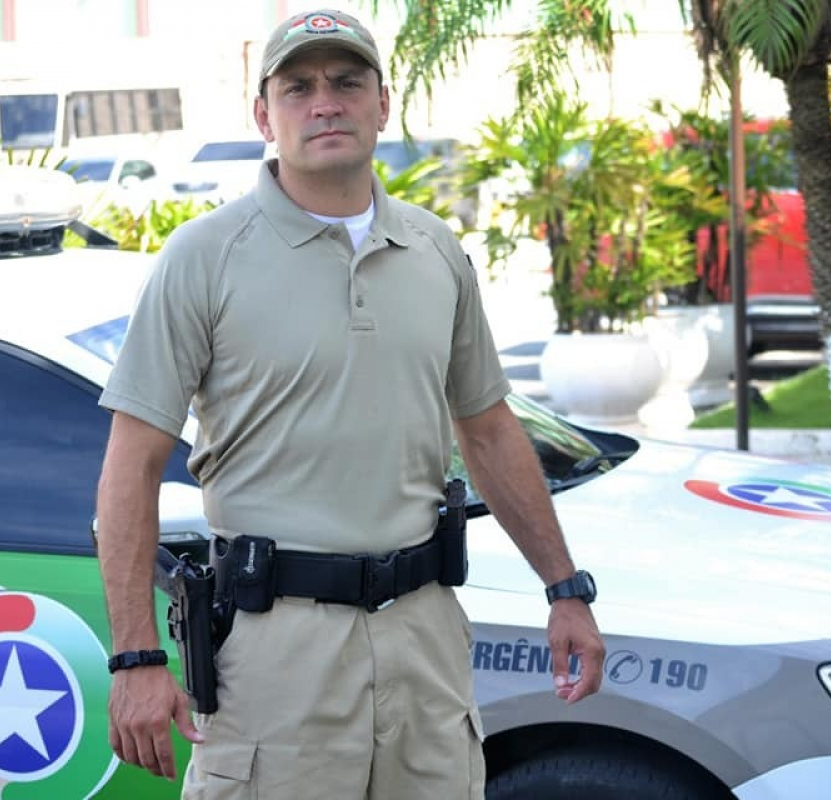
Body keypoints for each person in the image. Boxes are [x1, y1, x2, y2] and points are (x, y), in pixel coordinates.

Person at [93, 8, 605, 799]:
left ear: (383, 104)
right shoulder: (202, 259)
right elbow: (131, 465)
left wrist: (563, 587)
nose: (324, 102)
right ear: (264, 114)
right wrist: (134, 656)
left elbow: (490, 428)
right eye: (297, 87)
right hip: (276, 658)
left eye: (346, 81)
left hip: (424, 642)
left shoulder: (437, 250)